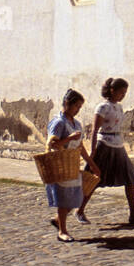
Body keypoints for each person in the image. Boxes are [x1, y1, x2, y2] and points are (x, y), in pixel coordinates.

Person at [78, 77, 134, 225]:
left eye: (125, 92)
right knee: (93, 179)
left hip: (118, 145)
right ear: (112, 91)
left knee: (129, 178)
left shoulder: (119, 107)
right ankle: (80, 210)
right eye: (121, 92)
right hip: (104, 144)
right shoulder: (102, 108)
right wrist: (93, 151)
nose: (123, 95)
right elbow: (95, 130)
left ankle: (133, 213)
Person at [45, 89, 99, 243]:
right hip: (61, 164)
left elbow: (80, 146)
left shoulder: (76, 124)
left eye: (79, 108)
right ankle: (62, 231)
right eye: (76, 106)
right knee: (64, 198)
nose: (77, 110)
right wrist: (68, 138)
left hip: (73, 164)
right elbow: (52, 144)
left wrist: (92, 164)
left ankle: (58, 220)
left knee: (76, 196)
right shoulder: (58, 122)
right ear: (67, 104)